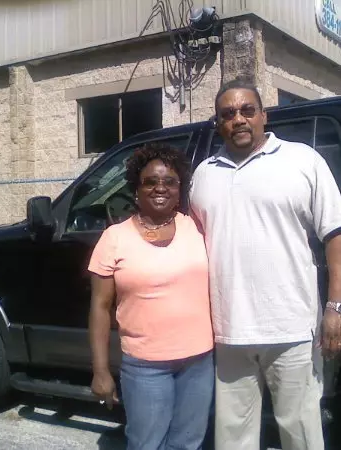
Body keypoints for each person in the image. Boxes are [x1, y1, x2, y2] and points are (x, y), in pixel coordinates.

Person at [189, 78, 341, 450]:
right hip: (228, 333)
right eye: (228, 114)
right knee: (232, 439)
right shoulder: (204, 174)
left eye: (247, 110)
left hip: (291, 330)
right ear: (218, 122)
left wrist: (335, 307)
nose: (238, 119)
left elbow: (335, 234)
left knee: (300, 433)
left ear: (263, 116)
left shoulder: (302, 160)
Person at [88, 143, 214, 450]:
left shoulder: (196, 227)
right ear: (136, 188)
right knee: (146, 443)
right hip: (145, 367)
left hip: (198, 363)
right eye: (151, 181)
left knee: (188, 443)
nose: (161, 188)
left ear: (179, 188)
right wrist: (101, 371)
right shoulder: (114, 238)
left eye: (170, 182)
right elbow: (100, 309)